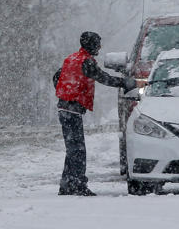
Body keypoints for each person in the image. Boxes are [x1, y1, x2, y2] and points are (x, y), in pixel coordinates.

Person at [53, 31, 138, 196]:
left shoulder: (72, 59)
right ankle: (77, 185)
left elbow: (56, 77)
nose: (100, 46)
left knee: (73, 149)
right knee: (78, 150)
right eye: (98, 43)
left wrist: (64, 93)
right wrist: (125, 83)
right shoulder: (86, 62)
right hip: (72, 110)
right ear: (91, 44)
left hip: (64, 108)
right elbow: (104, 78)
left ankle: (67, 185)